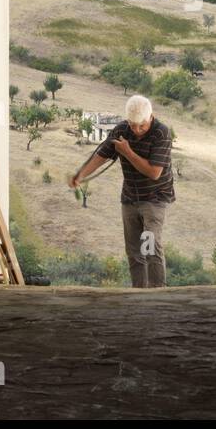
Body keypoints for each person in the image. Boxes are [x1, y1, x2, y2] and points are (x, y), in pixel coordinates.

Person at [69, 94, 173, 288]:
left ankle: (158, 295)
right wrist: (81, 174)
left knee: (149, 247)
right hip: (130, 198)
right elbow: (102, 154)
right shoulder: (121, 130)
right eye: (133, 125)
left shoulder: (161, 132)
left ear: (151, 117)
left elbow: (154, 172)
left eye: (142, 125)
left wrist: (127, 152)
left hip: (154, 199)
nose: (137, 130)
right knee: (134, 251)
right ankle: (139, 294)